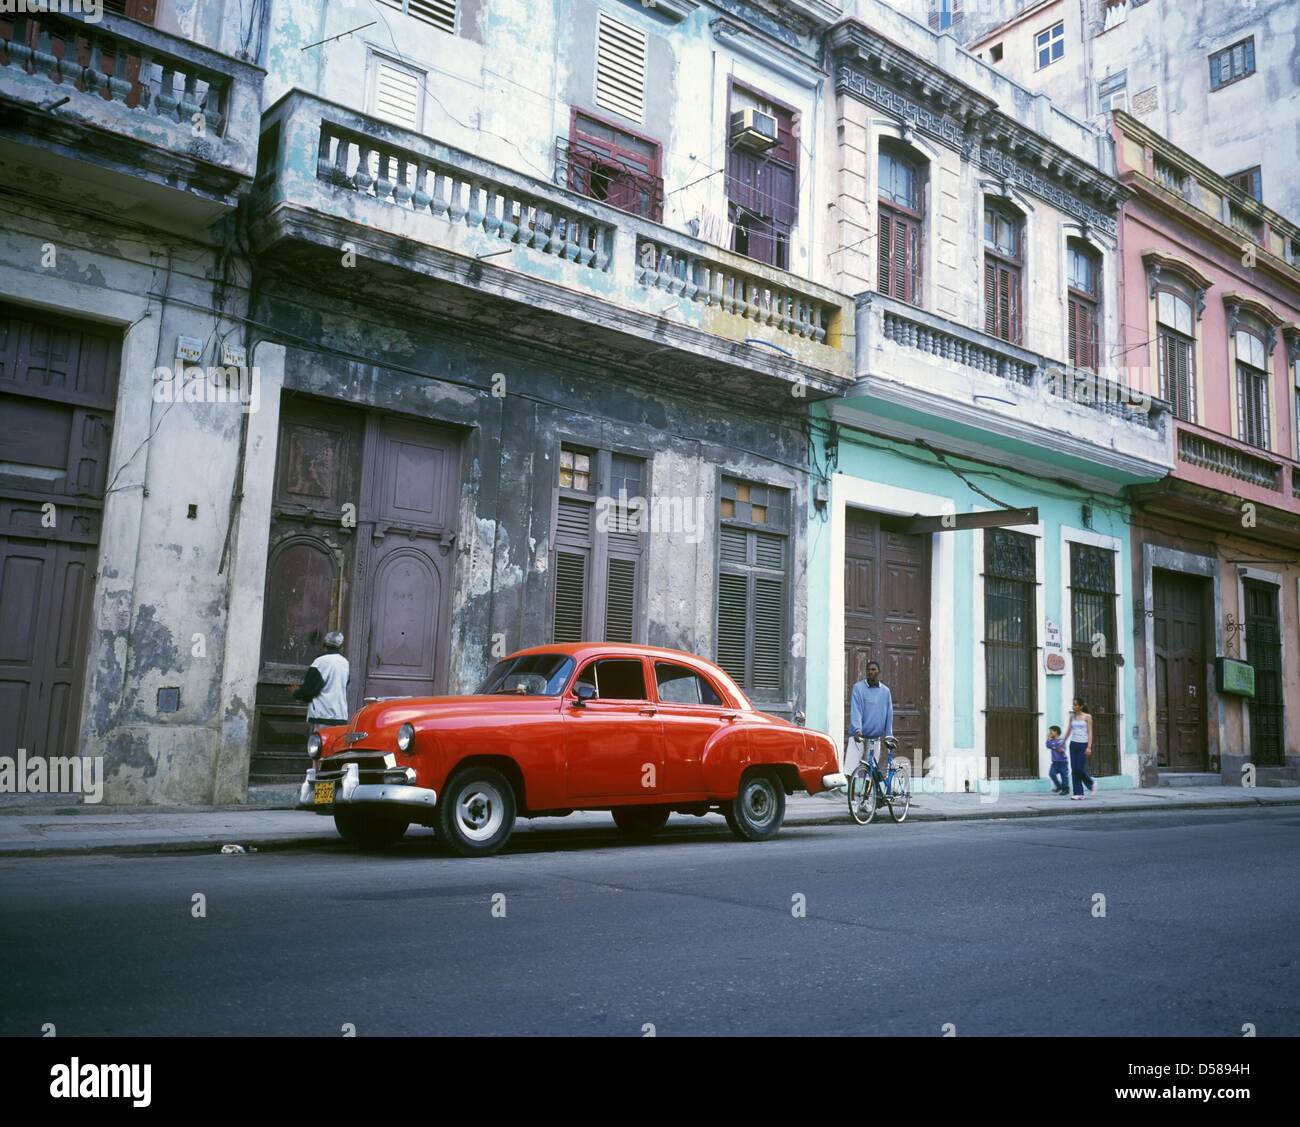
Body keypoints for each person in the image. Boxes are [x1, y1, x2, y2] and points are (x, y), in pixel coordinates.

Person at [291, 631, 351, 734]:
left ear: (324, 644)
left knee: (319, 747)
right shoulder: (345, 663)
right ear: (341, 646)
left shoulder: (320, 662)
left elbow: (309, 690)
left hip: (322, 716)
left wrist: (296, 693)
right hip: (340, 716)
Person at [846, 660, 894, 780]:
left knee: (871, 771)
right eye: (868, 670)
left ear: (879, 672)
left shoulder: (885, 692)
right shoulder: (858, 688)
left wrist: (889, 735)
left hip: (875, 736)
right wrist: (857, 730)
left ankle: (866, 796)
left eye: (873, 669)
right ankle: (851, 796)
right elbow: (856, 710)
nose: (870, 672)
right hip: (858, 735)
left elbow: (889, 713)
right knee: (851, 768)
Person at [1066, 697, 1096, 800]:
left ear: (1081, 706)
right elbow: (1069, 730)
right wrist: (1063, 741)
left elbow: (1090, 732)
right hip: (1073, 744)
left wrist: (1089, 747)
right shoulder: (1072, 717)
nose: (1073, 706)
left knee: (1079, 768)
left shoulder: (1087, 717)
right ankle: (1078, 793)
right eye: (1073, 704)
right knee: (1074, 770)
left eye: (1075, 705)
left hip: (1083, 744)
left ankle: (1091, 783)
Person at [1046, 725, 1070, 795]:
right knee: (1051, 774)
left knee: (1064, 776)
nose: (1050, 733)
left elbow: (1060, 749)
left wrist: (1053, 746)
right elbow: (1048, 745)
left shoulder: (1061, 740)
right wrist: (1049, 740)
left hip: (1062, 762)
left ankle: (1066, 789)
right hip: (1054, 762)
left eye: (1051, 731)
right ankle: (1059, 786)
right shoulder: (1051, 740)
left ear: (1056, 732)